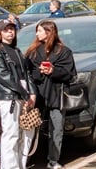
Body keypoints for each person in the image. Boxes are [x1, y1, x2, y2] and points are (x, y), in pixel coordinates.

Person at [24, 20, 76, 169]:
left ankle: (53, 160)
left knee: (57, 127)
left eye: (40, 31)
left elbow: (70, 74)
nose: (37, 34)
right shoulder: (33, 51)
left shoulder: (64, 51)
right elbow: (26, 71)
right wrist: (38, 72)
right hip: (37, 94)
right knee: (31, 127)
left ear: (49, 32)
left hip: (56, 94)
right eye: (37, 30)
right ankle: (26, 158)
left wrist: (53, 71)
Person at [0, 20, 37, 169]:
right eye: (7, 30)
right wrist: (24, 93)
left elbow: (26, 73)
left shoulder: (17, 51)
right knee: (11, 134)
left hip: (23, 94)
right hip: (9, 97)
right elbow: (4, 76)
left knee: (26, 133)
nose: (10, 32)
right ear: (0, 32)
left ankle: (20, 165)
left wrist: (32, 93)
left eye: (12, 29)